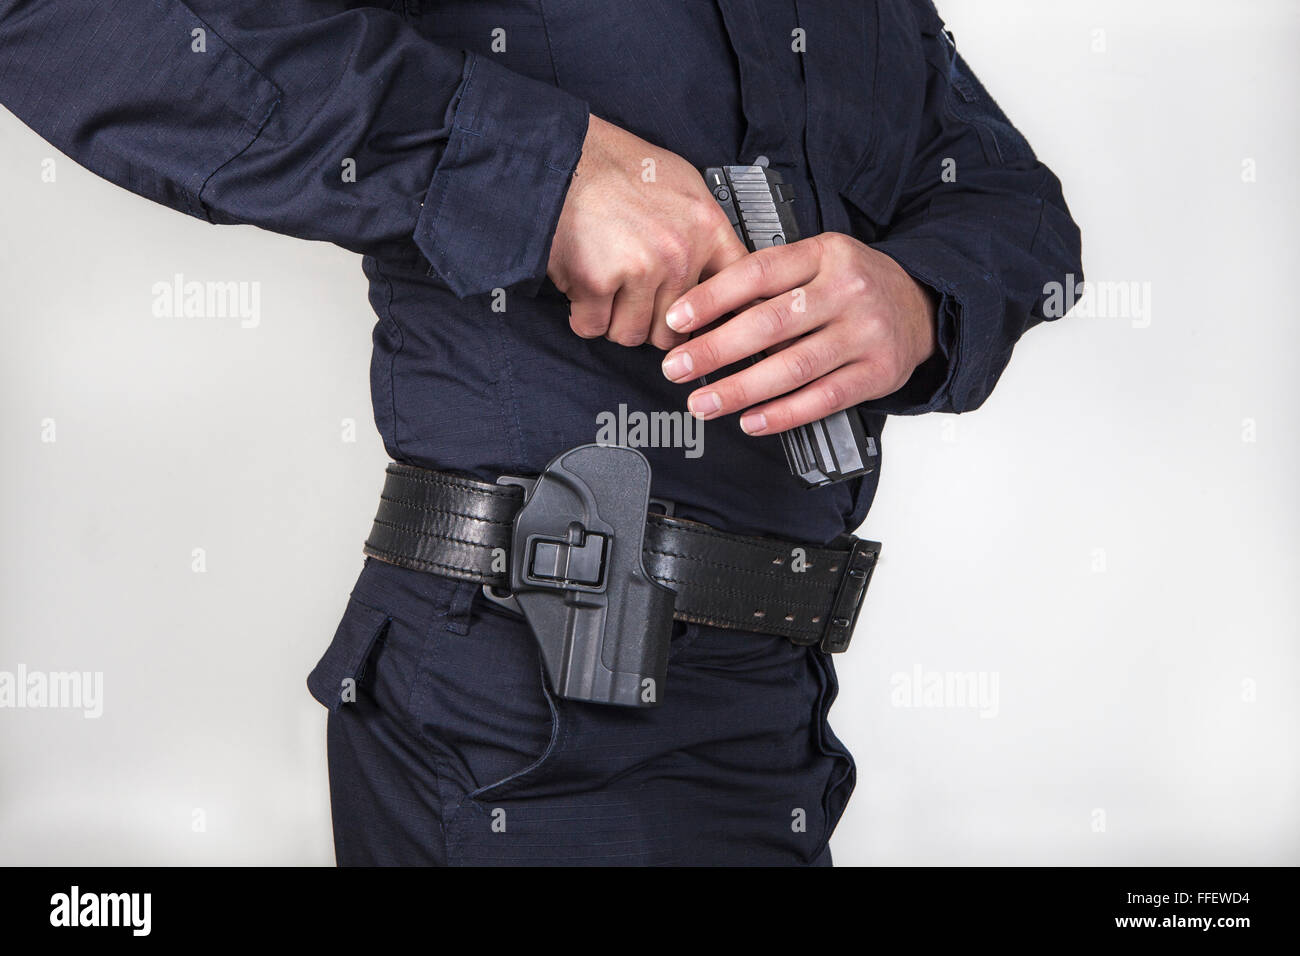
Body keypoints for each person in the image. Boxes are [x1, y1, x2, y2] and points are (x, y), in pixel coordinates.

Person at [0, 0, 1083, 865]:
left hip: (775, 719)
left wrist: (917, 294)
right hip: (532, 710)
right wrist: (534, 169)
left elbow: (1012, 204)